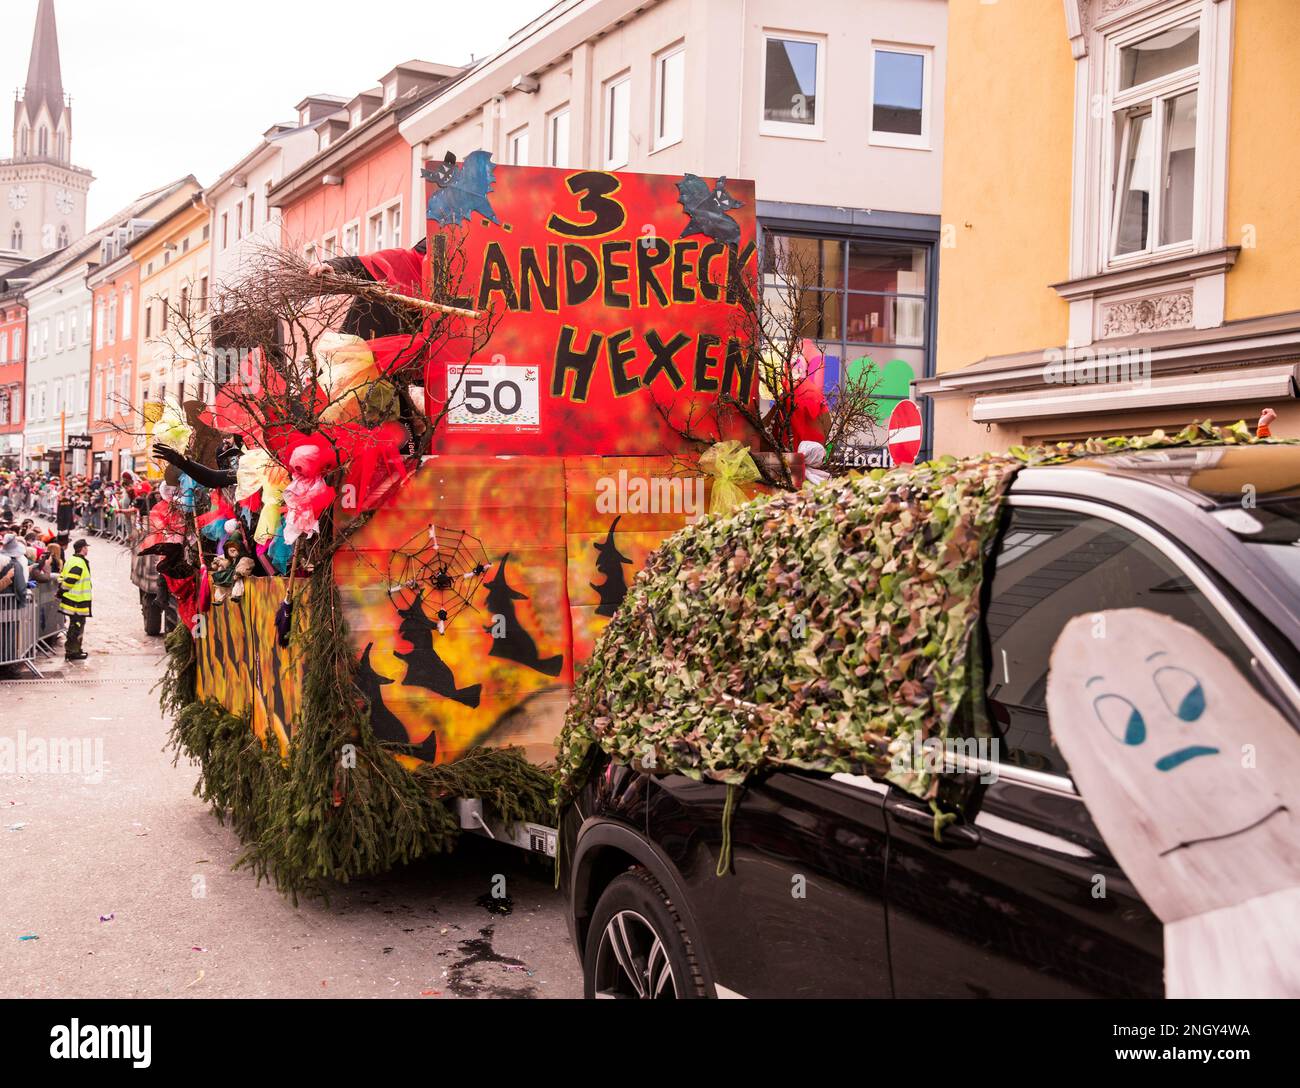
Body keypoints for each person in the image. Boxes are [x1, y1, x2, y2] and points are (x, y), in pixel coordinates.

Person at [58, 538, 93, 661]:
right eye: (86, 547)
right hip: (76, 601)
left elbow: (62, 577)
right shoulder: (79, 563)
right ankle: (72, 651)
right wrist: (61, 591)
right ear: (82, 549)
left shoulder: (71, 560)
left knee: (76, 625)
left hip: (73, 600)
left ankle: (76, 649)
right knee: (76, 626)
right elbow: (70, 581)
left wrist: (61, 591)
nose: (87, 549)